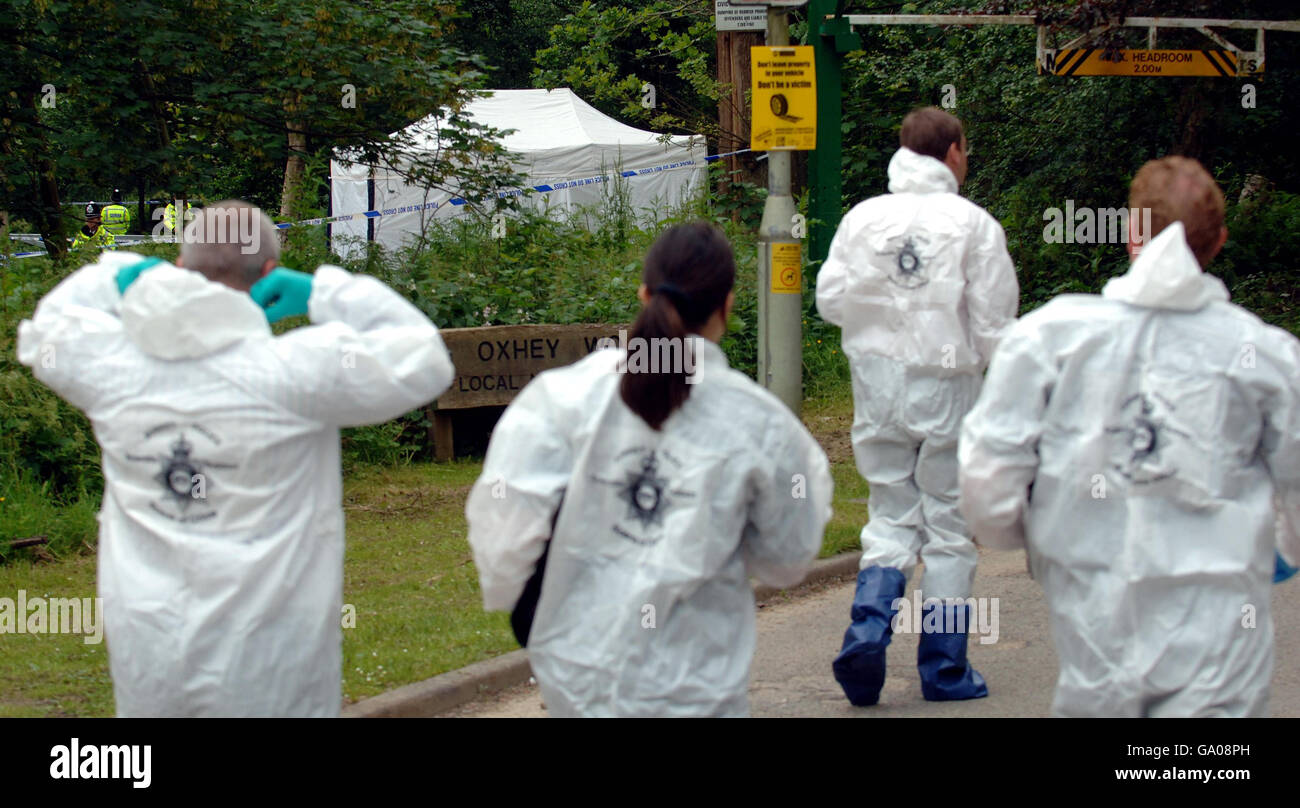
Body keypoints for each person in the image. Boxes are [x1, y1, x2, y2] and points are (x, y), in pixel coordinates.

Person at [16, 200, 454, 717]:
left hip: (152, 648)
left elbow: (46, 333)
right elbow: (424, 361)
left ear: (178, 269)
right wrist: (323, 291)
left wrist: (118, 275)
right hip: (274, 658)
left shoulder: (114, 368)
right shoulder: (298, 371)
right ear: (269, 274)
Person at [958, 156, 1300, 717]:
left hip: (1095, 619)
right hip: (1222, 636)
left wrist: (1046, 537)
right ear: (1220, 241)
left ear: (1129, 235)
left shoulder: (1050, 338)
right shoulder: (1266, 355)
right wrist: (1274, 552)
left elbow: (988, 482)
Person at [466, 221, 833, 717]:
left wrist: (537, 616)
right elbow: (787, 559)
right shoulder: (763, 424)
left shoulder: (560, 399)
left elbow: (504, 536)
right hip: (699, 684)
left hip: (578, 678)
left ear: (644, 293)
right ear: (726, 306)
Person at [817, 106, 1019, 706]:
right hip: (948, 389)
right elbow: (994, 326)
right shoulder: (974, 225)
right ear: (953, 151)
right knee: (950, 528)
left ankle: (869, 628)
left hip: (877, 389)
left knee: (889, 514)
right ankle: (944, 669)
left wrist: (881, 320)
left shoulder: (861, 219)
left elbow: (830, 300)